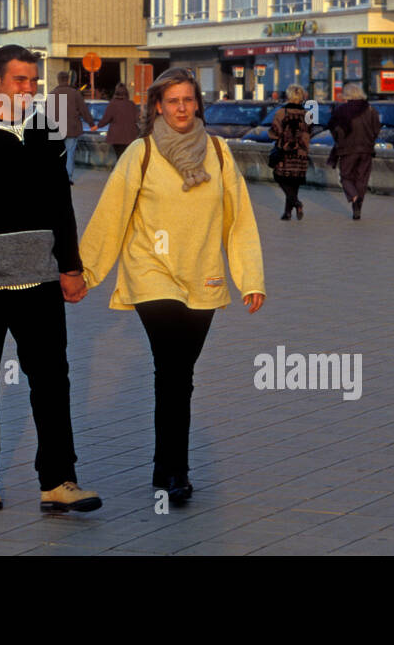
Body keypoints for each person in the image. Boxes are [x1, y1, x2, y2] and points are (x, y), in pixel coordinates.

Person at [79, 67, 266, 504]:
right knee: (174, 368)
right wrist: (84, 273)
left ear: (196, 103)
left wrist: (250, 278)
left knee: (180, 374)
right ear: (158, 107)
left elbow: (238, 220)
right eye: (172, 101)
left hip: (203, 275)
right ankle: (173, 472)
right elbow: (111, 214)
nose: (181, 108)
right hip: (152, 274)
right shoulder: (141, 154)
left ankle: (169, 468)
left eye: (187, 100)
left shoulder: (218, 153)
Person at [0, 44, 101, 514]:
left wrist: (70, 267)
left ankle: (58, 481)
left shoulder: (46, 130)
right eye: (19, 80)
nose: (28, 89)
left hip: (41, 277)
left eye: (33, 81)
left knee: (52, 379)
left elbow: (60, 205)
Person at [328, 82, 381, 220]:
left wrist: (339, 140)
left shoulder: (341, 110)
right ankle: (357, 207)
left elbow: (333, 127)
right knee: (362, 178)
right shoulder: (370, 110)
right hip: (366, 149)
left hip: (347, 148)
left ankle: (354, 197)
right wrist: (370, 140)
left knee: (345, 176)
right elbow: (377, 129)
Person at [269, 84, 312, 221]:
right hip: (301, 152)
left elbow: (274, 132)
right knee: (295, 182)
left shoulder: (281, 112)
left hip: (285, 151)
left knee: (280, 177)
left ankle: (296, 203)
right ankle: (287, 212)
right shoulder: (307, 114)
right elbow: (309, 132)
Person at [48, 71, 97, 185]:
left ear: (58, 79)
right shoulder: (75, 94)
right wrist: (91, 124)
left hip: (55, 130)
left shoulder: (52, 94)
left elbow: (47, 114)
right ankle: (68, 177)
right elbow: (84, 110)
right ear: (68, 79)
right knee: (70, 153)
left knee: (57, 154)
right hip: (72, 129)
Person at [99, 83, 140, 159]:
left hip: (116, 137)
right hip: (130, 136)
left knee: (119, 156)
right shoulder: (131, 105)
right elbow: (137, 118)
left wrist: (97, 126)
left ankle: (121, 169)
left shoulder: (112, 104)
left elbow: (106, 119)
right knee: (128, 157)